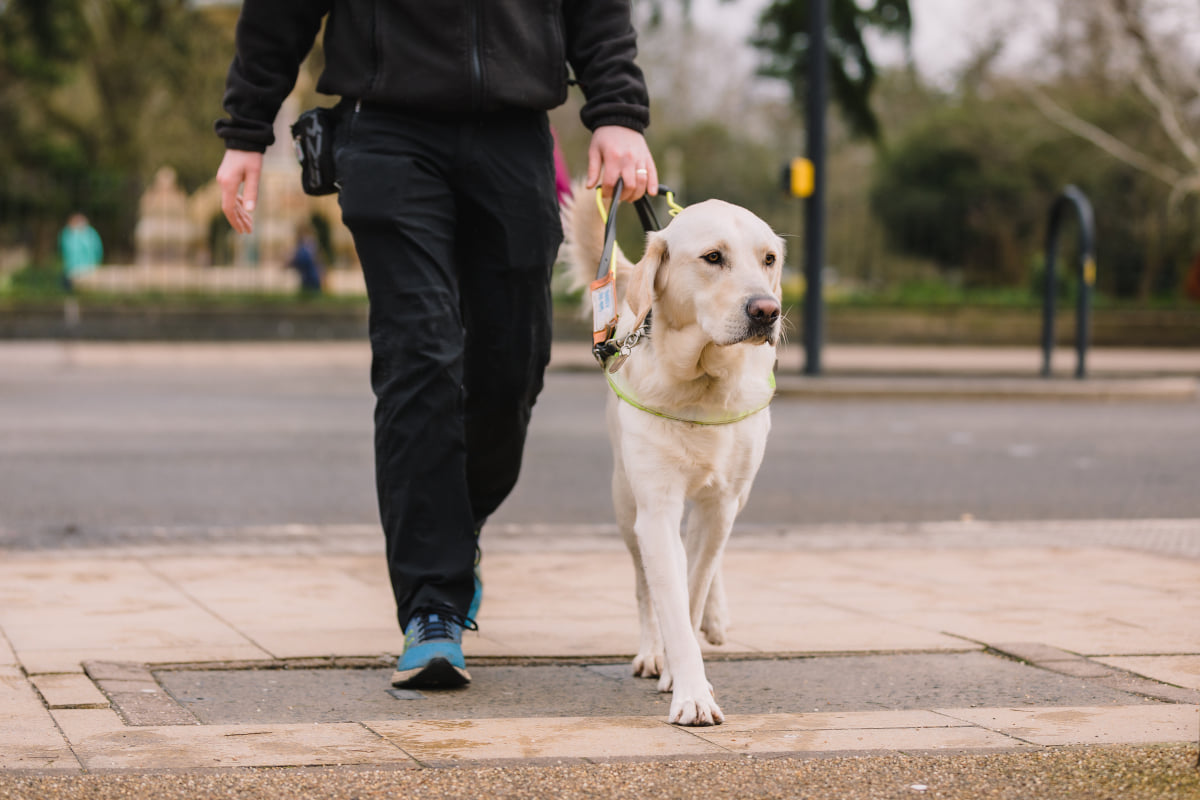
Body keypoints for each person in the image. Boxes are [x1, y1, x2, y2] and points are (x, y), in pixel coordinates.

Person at [214, 0, 658, 689]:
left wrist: (619, 111)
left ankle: (454, 527)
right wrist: (246, 129)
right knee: (419, 357)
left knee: (511, 370)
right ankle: (431, 608)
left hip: (515, 136)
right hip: (386, 128)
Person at [59, 213, 103, 292]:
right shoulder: (68, 233)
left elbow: (97, 249)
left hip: (87, 267)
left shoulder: (89, 233)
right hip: (73, 267)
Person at [286, 223, 324, 294]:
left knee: (311, 296)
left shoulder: (308, 244)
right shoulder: (307, 244)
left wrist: (290, 263)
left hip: (311, 278)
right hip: (309, 278)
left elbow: (304, 259)